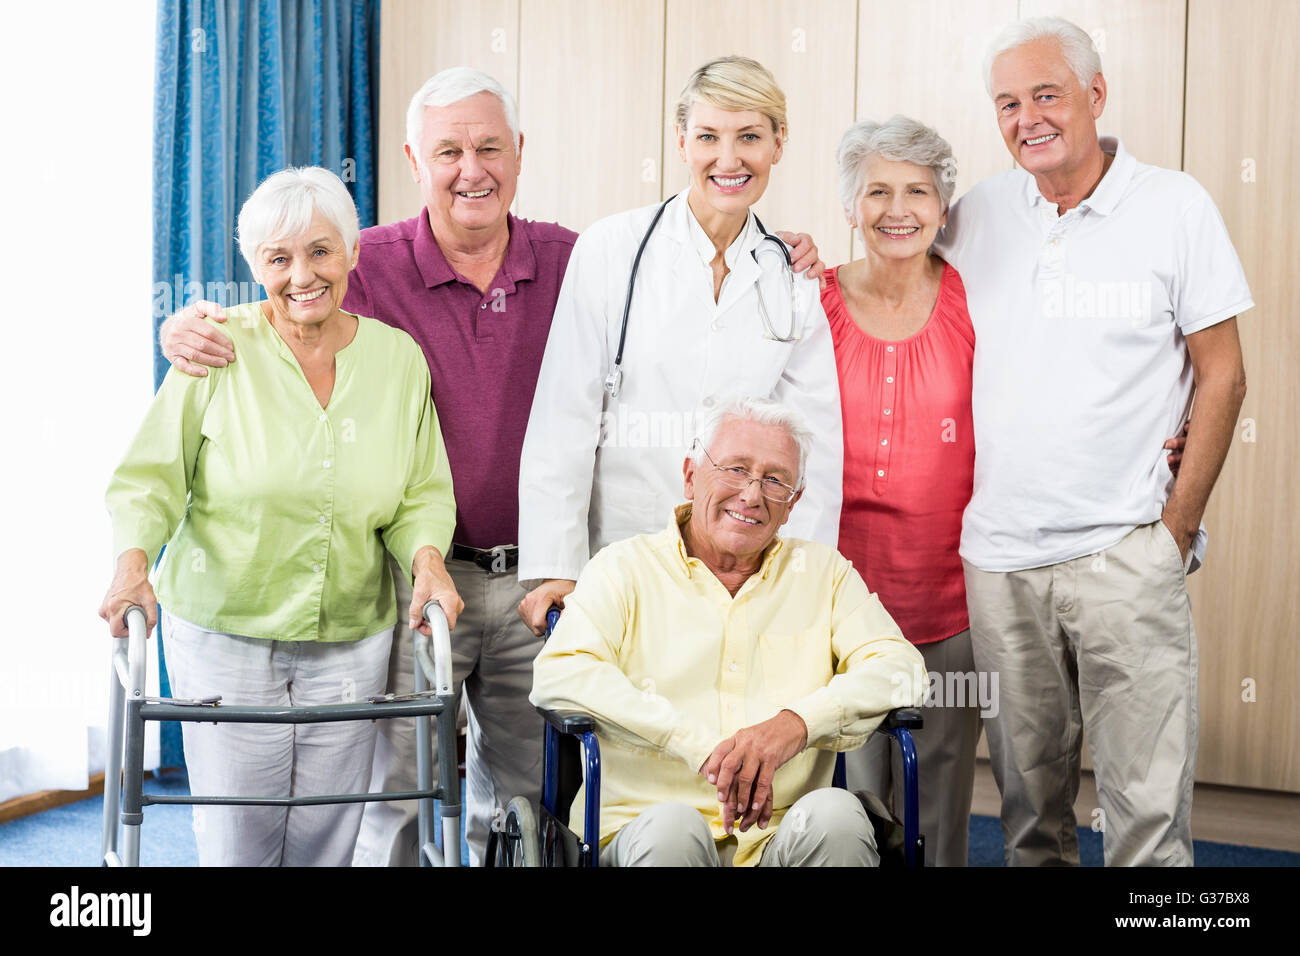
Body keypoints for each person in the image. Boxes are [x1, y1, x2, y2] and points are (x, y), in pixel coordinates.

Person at [157, 67, 821, 866]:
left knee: (529, 797)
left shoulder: (581, 259)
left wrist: (787, 253)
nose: (471, 169)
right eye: (448, 151)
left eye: (488, 148)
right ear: (413, 159)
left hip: (542, 583)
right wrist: (183, 323)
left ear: (518, 154)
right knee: (393, 796)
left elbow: (691, 286)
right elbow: (282, 294)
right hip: (411, 581)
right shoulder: (363, 263)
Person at [934, 16, 1251, 866]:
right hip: (1000, 563)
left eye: (1047, 94)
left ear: (1096, 95)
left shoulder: (1174, 205)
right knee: (1030, 817)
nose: (1027, 117)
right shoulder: (977, 214)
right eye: (1008, 102)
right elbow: (888, 268)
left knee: (1145, 822)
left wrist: (1175, 528)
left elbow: (1223, 375)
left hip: (1126, 553)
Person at [100, 167, 462, 867]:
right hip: (227, 632)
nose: (303, 274)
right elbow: (150, 479)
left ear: (353, 253)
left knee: (328, 836)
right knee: (242, 841)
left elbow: (421, 490)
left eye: (321, 251)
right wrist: (131, 564)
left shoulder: (397, 360)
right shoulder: (215, 347)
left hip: (351, 633)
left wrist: (427, 561)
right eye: (279, 258)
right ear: (254, 265)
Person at [516, 56, 842, 634]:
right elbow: (562, 417)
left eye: (749, 137)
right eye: (708, 137)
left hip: (745, 572)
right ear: (680, 141)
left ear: (778, 144)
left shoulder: (791, 278)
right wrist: (557, 566)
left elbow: (814, 444)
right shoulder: (611, 250)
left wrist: (802, 579)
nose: (729, 159)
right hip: (621, 556)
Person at [530, 397, 924, 866]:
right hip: (645, 829)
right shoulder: (623, 568)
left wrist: (795, 725)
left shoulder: (825, 575)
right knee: (673, 830)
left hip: (782, 831)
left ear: (792, 503)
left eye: (775, 480)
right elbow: (559, 674)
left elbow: (903, 670)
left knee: (839, 815)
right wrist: (690, 744)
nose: (752, 495)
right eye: (735, 469)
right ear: (691, 476)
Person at [821, 115, 982, 866]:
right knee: (849, 787)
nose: (898, 209)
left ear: (943, 209)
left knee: (943, 784)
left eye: (918, 191)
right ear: (851, 206)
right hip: (836, 594)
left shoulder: (974, 303)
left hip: (948, 592)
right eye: (878, 191)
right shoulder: (808, 301)